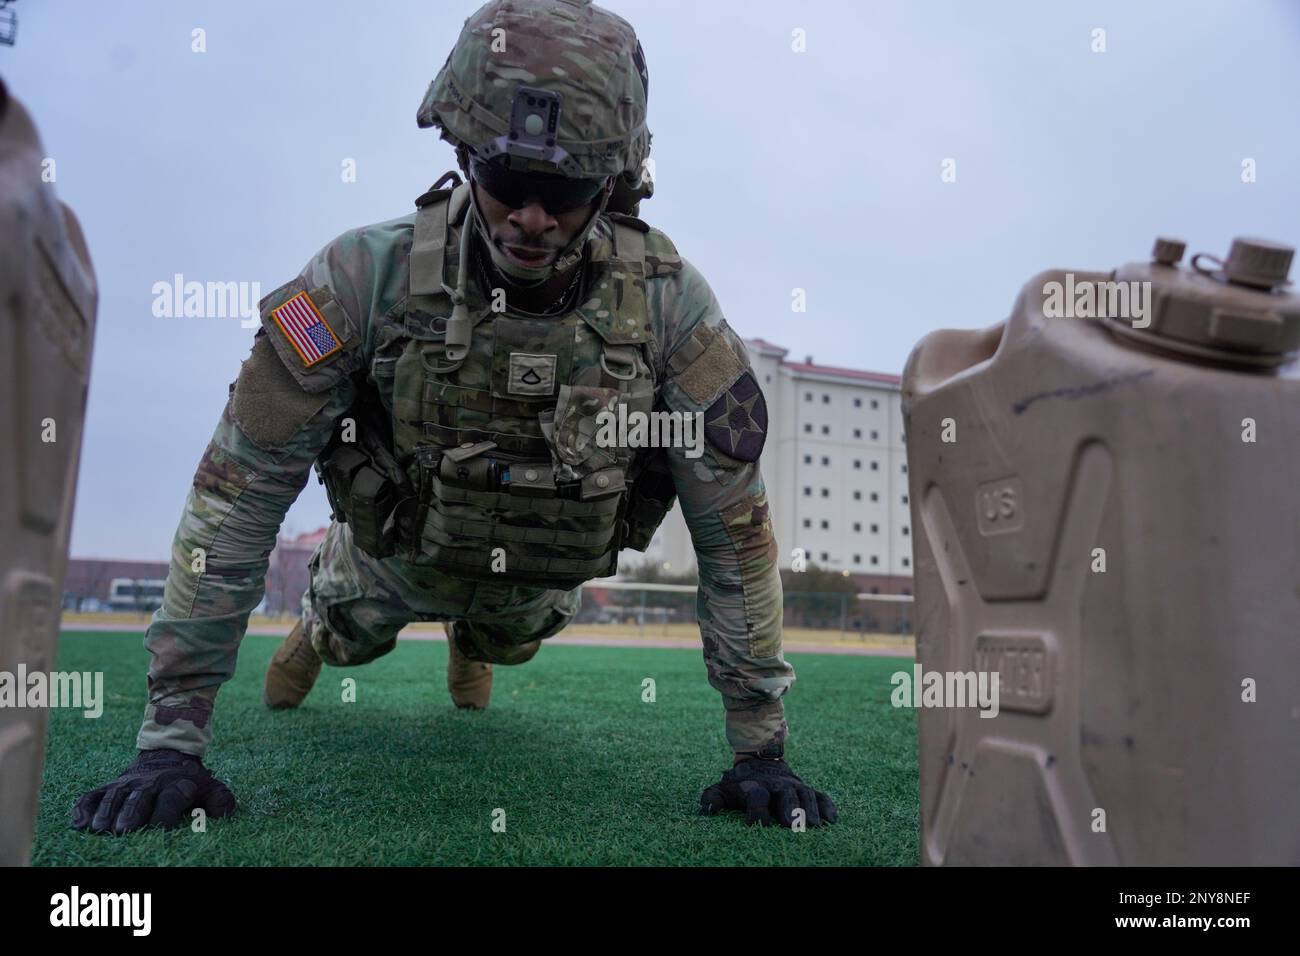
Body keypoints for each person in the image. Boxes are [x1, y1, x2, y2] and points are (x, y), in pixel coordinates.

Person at [72, 0, 837, 836]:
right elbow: (238, 493)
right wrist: (170, 744)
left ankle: (474, 645)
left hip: (538, 584)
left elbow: (735, 530)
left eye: (568, 193)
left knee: (508, 640)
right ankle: (315, 629)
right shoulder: (364, 278)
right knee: (347, 637)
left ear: (612, 185)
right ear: (465, 157)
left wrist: (761, 751)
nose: (534, 220)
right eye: (509, 184)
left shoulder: (669, 309)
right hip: (390, 559)